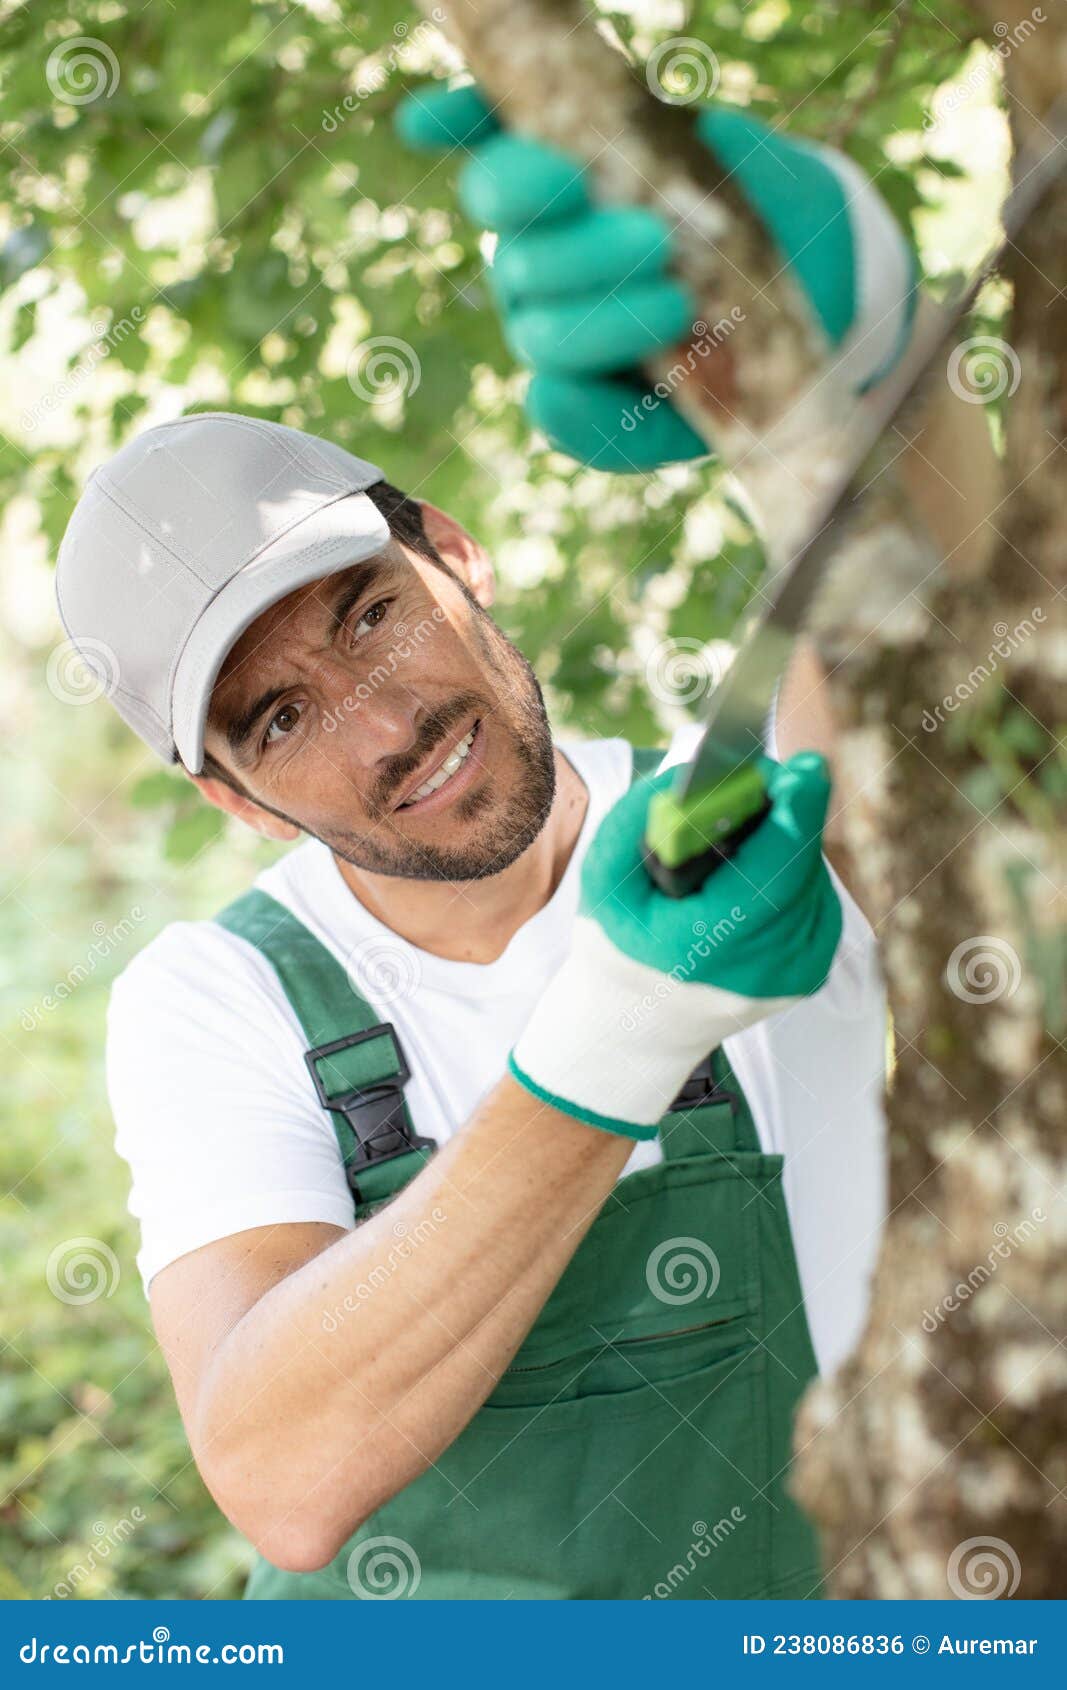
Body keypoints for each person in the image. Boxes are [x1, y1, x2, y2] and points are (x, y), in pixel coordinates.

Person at [55, 85, 968, 1600]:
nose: (383, 725)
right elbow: (279, 1470)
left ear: (454, 555)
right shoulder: (217, 1000)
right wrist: (625, 1030)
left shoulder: (740, 819)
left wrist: (858, 350)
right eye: (278, 720)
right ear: (230, 797)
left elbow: (929, 624)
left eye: (371, 613)